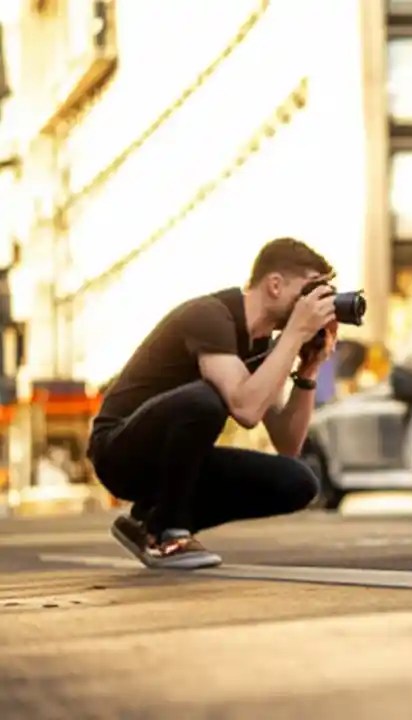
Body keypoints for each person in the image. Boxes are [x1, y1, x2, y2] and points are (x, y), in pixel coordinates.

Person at [87, 237, 340, 569]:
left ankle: (148, 521)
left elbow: (287, 442)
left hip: (175, 459)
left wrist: (309, 369)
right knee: (207, 399)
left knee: (299, 481)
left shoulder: (262, 344)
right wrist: (294, 335)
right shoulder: (211, 316)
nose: (312, 306)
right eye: (308, 293)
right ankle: (169, 534)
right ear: (275, 285)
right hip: (120, 451)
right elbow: (245, 408)